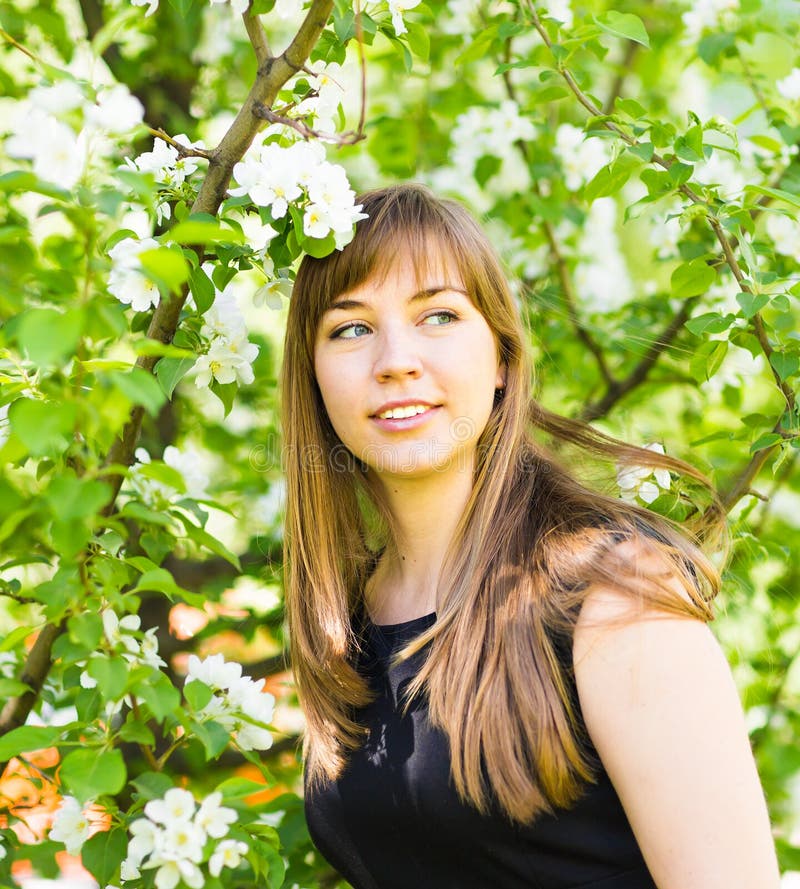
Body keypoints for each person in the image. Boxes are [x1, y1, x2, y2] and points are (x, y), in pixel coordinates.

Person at [280, 183, 780, 889]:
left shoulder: (612, 597)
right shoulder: (349, 619)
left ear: (503, 360)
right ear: (313, 374)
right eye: (351, 328)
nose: (395, 359)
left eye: (439, 315)